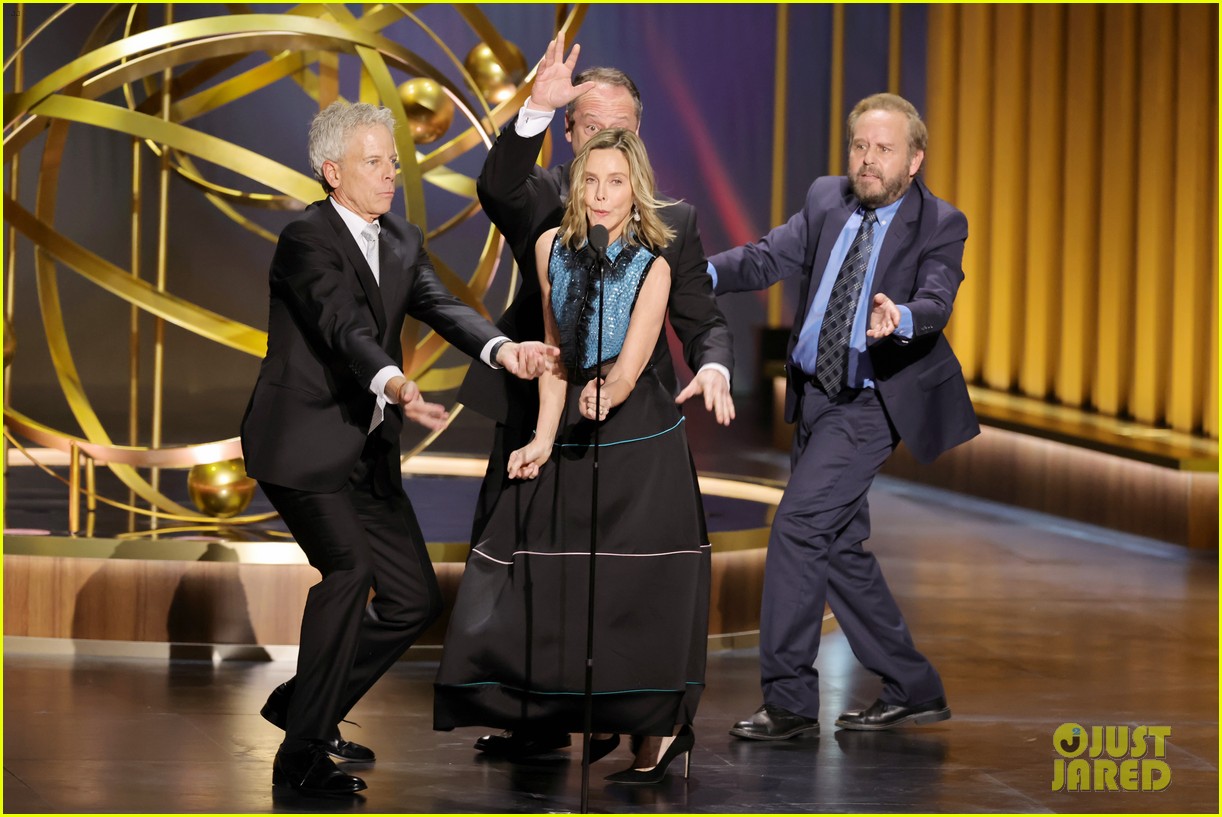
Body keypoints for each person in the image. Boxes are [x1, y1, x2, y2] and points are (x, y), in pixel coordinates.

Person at [240, 101, 558, 797]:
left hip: (366, 454)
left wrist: (505, 349)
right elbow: (342, 327)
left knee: (413, 600)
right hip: (301, 444)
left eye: (392, 160)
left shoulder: (402, 239)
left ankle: (305, 703)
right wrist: (394, 381)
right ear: (332, 172)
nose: (391, 174)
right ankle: (301, 755)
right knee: (349, 570)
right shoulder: (305, 239)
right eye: (374, 162)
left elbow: (443, 306)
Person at [456, 31, 734, 761]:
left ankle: (635, 718)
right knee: (528, 564)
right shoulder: (546, 199)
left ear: (638, 134)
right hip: (540, 400)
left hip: (629, 419)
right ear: (569, 133)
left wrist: (714, 366)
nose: (606, 145)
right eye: (589, 126)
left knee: (622, 574)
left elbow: (700, 319)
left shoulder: (672, 222)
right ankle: (541, 717)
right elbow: (497, 188)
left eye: (621, 128)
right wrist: (533, 111)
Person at [708, 93, 979, 741]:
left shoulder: (940, 222)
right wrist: (692, 274)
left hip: (869, 402)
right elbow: (767, 258)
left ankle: (790, 700)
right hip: (814, 394)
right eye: (860, 145)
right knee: (835, 547)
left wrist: (901, 316)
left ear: (914, 160)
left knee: (799, 527)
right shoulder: (827, 198)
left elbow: (938, 297)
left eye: (884, 149)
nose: (868, 160)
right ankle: (913, 687)